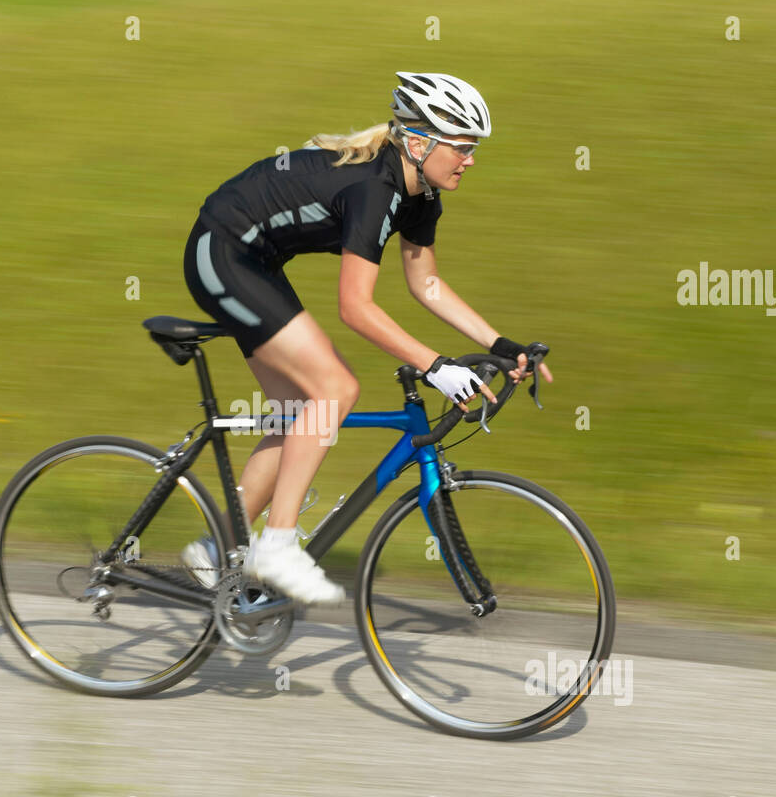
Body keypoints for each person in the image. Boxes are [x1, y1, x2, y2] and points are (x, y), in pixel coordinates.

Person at [181, 71, 552, 605]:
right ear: (421, 142)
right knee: (334, 388)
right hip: (220, 252)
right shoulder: (374, 190)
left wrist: (502, 345)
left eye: (474, 149)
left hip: (255, 261)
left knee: (295, 411)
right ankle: (276, 546)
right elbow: (355, 308)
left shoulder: (420, 192)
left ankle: (215, 547)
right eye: (463, 148)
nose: (471, 160)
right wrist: (436, 366)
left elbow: (426, 283)